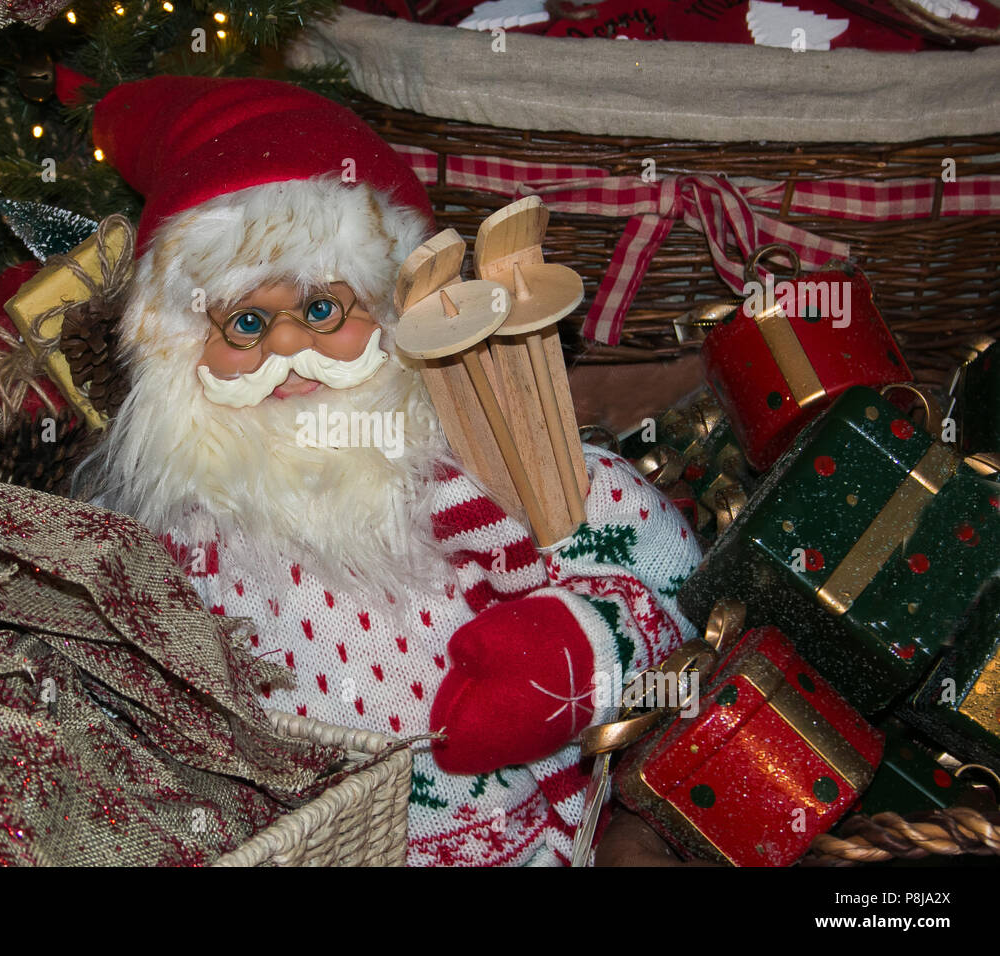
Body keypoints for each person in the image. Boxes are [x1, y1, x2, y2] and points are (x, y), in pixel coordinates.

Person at [79, 73, 703, 865]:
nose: (285, 348)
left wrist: (573, 657)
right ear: (181, 351)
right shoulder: (184, 533)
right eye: (244, 322)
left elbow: (672, 584)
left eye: (318, 310)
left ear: (386, 304)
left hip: (516, 842)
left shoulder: (481, 463)